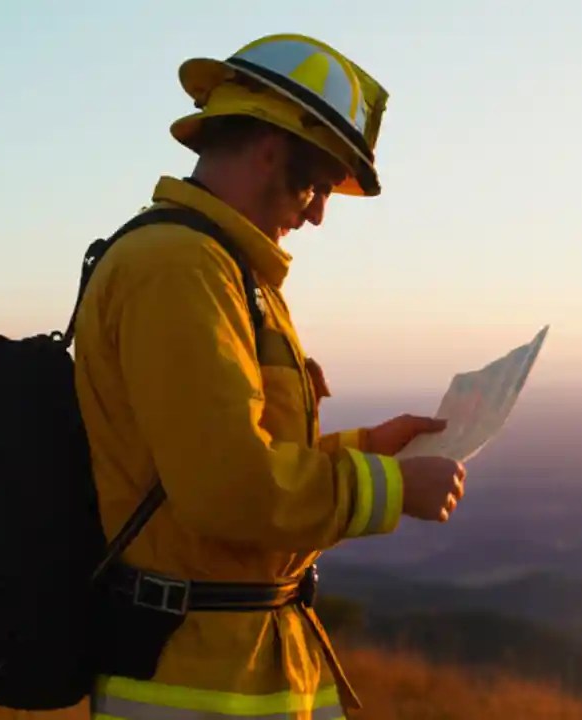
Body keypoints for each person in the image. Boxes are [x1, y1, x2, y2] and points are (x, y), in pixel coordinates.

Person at [72, 33, 467, 720]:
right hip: (195, 688)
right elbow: (228, 490)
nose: (317, 213)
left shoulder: (221, 269)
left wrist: (372, 448)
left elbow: (247, 460)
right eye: (315, 183)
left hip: (234, 668)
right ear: (270, 149)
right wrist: (395, 488)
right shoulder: (180, 269)